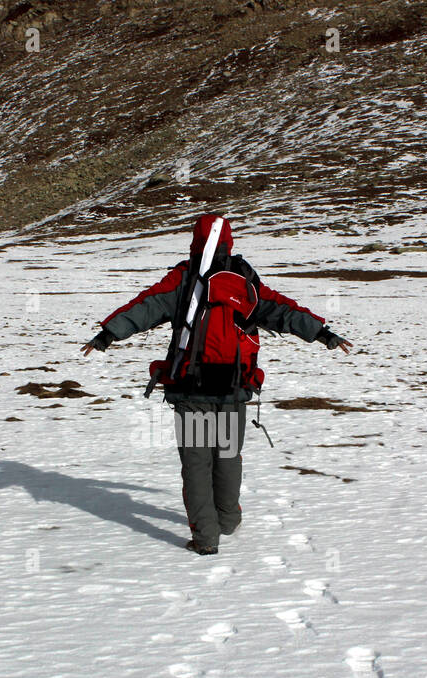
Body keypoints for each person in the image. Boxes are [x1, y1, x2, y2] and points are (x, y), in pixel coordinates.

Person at [81, 213, 352, 555]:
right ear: (230, 240)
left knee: (197, 464)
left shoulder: (184, 277)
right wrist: (322, 333)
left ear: (195, 239)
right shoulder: (244, 278)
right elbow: (282, 310)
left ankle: (206, 539)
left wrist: (107, 335)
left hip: (191, 388)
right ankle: (228, 520)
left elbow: (146, 307)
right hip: (234, 386)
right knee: (227, 454)